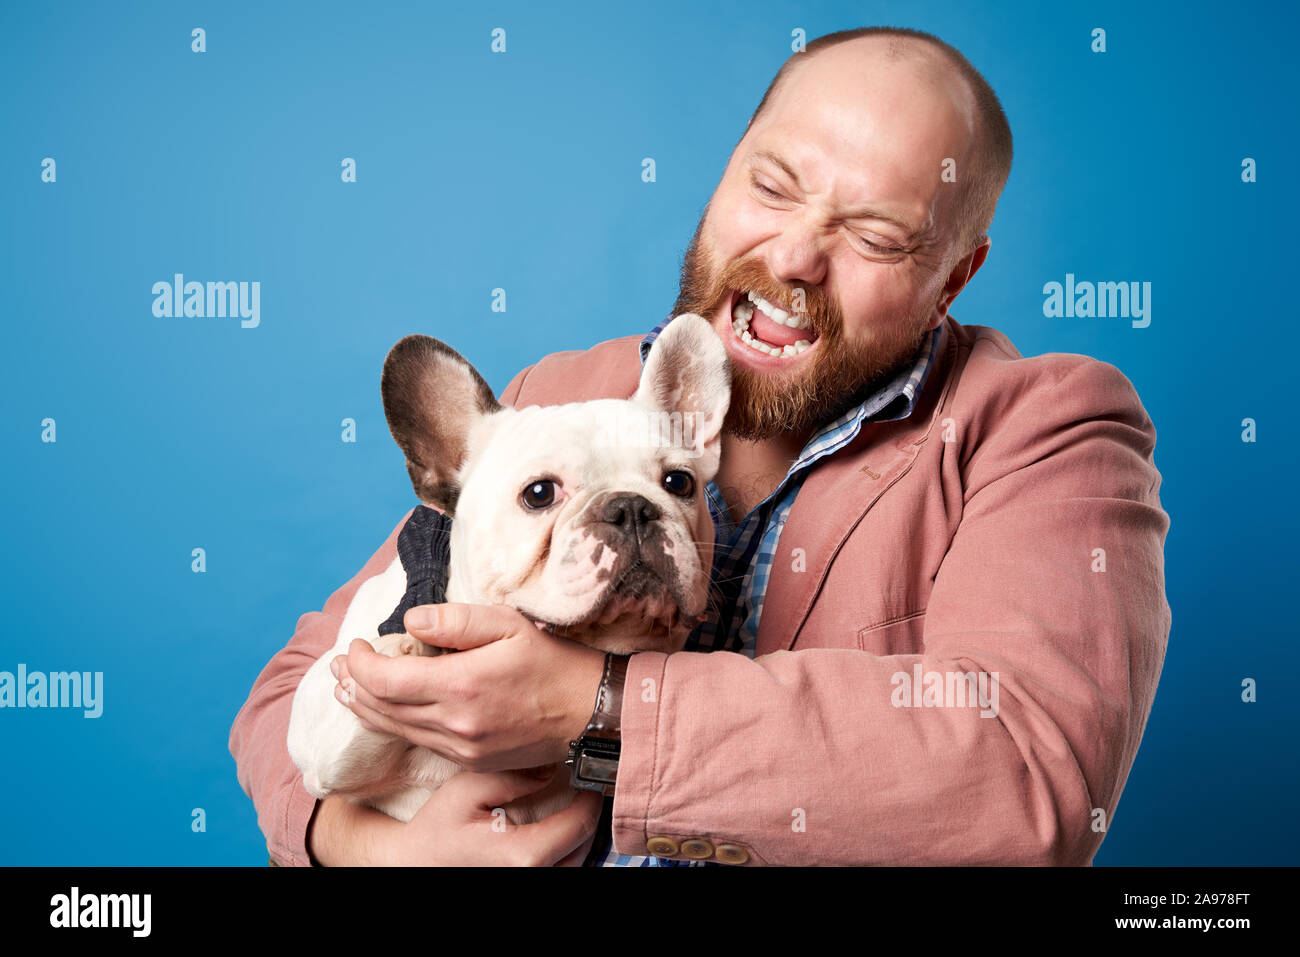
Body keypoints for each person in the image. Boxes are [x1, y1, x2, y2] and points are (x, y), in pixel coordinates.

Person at [230, 26, 1171, 866]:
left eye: (877, 236)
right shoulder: (549, 400)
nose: (794, 256)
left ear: (954, 279)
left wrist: (593, 705)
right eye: (771, 186)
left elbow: (1028, 777)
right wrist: (371, 849)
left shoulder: (1043, 430)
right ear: (724, 171)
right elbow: (287, 696)